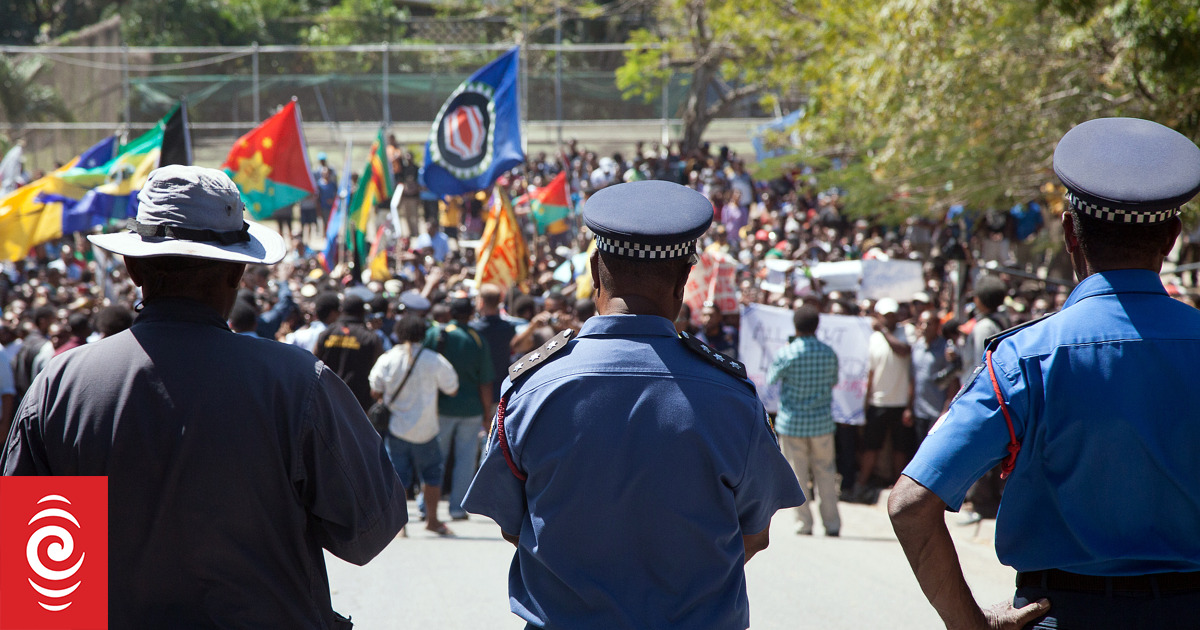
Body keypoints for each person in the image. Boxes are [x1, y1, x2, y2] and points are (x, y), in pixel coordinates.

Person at [1, 165, 406, 628]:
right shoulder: (297, 383)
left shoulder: (60, 387)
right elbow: (368, 529)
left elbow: (37, 583)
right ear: (237, 271)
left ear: (133, 266)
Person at [890, 117, 1200, 629]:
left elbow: (910, 504)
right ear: (1171, 237)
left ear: (1068, 233)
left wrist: (970, 624)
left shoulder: (1024, 358)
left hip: (1063, 614)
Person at [463, 180, 804, 630]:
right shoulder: (733, 399)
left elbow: (512, 525)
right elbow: (754, 534)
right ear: (684, 280)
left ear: (593, 269)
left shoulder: (530, 389)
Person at [370, 314, 459, 537]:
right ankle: (433, 520)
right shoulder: (434, 359)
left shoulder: (388, 358)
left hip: (397, 429)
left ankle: (400, 525)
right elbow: (452, 388)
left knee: (397, 477)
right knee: (431, 475)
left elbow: (375, 388)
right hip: (427, 429)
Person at [767, 304, 841, 537]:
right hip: (821, 424)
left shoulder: (788, 352)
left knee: (798, 475)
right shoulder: (828, 352)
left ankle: (804, 524)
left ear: (795, 326)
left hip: (792, 424)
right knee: (826, 473)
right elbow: (833, 381)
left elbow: (771, 378)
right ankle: (832, 524)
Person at [424, 296, 493, 521]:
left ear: (450, 312)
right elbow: (485, 382)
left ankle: (426, 507)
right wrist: (486, 413)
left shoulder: (436, 334)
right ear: (471, 314)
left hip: (440, 408)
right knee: (465, 460)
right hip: (471, 409)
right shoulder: (477, 339)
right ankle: (457, 508)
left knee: (436, 458)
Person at [856, 296, 912, 500]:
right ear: (878, 315)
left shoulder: (906, 333)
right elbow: (870, 372)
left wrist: (884, 331)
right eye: (886, 315)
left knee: (900, 449)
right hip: (878, 402)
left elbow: (903, 351)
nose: (891, 318)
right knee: (872, 447)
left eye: (893, 314)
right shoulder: (873, 338)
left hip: (900, 403)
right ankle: (861, 485)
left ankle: (900, 491)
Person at [315, 293, 384, 412]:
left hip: (328, 400)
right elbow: (380, 368)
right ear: (362, 312)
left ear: (342, 310)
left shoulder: (326, 334)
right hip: (358, 405)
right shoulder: (370, 338)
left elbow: (313, 361)